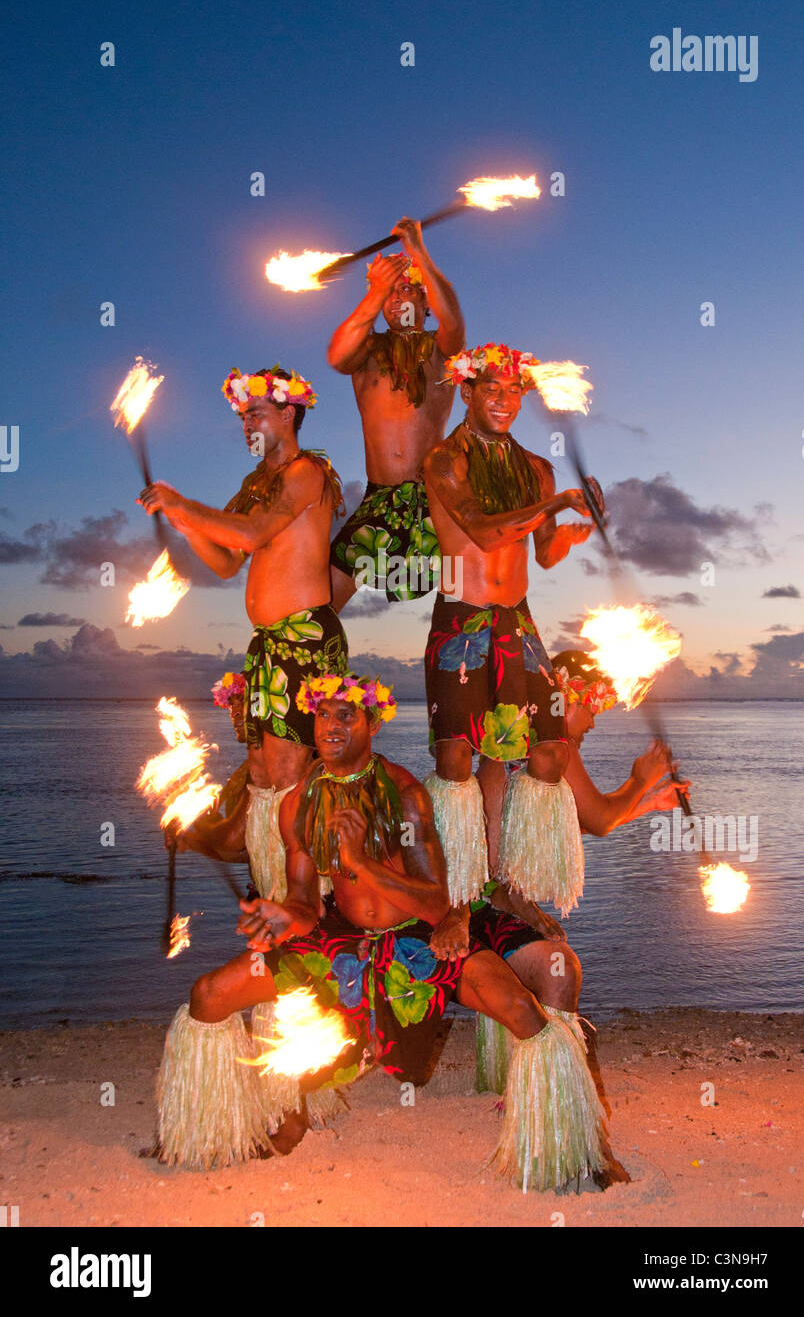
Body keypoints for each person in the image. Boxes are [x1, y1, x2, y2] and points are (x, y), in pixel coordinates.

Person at [153, 675, 617, 1193]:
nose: (331, 726)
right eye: (323, 715)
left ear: (372, 723)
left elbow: (434, 902)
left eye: (345, 716)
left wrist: (359, 864)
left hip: (419, 938)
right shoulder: (298, 803)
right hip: (337, 939)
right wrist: (285, 915)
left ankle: (572, 1148)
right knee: (209, 995)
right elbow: (307, 900)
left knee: (524, 1012)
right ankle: (208, 1136)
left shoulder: (404, 794)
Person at [138, 365, 346, 901]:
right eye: (242, 415)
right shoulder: (254, 485)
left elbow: (254, 534)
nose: (246, 421)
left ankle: (307, 900)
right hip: (268, 647)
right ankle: (272, 889)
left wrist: (187, 506)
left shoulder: (306, 473)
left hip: (303, 641)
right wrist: (184, 522)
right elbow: (228, 560)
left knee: (288, 773)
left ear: (288, 413)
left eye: (256, 412)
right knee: (261, 773)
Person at [420, 344, 595, 958]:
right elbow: (485, 529)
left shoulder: (536, 469)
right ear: (466, 392)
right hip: (461, 620)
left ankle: (507, 883)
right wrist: (553, 506)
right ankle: (455, 900)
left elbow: (542, 552)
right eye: (490, 386)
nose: (503, 397)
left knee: (542, 753)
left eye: (514, 389)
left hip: (517, 624)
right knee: (457, 765)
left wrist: (573, 531)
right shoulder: (444, 459)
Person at [466, 650, 689, 1109]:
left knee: (552, 947)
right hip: (479, 910)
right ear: (566, 699)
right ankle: (548, 1099)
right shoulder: (554, 745)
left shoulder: (516, 741)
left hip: (481, 900)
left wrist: (649, 803)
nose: (592, 724)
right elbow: (601, 819)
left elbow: (572, 824)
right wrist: (640, 777)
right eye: (593, 709)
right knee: (560, 966)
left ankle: (526, 1080)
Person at [327, 217, 465, 606]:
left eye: (410, 290)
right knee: (324, 598)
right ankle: (322, 668)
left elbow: (454, 324)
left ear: (425, 304)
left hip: (435, 499)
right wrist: (377, 290)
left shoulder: (441, 353)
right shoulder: (367, 352)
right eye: (393, 293)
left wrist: (418, 251)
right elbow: (337, 357)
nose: (399, 297)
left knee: (465, 594)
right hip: (378, 499)